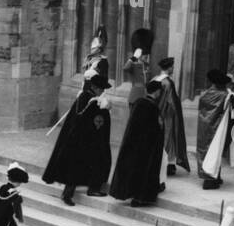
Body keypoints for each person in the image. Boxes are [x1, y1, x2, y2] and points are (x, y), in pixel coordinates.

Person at [42, 71, 112, 205]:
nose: (102, 91)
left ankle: (91, 187)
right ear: (96, 88)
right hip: (81, 140)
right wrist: (101, 108)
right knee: (75, 167)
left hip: (84, 139)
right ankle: (69, 194)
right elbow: (86, 118)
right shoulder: (88, 99)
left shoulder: (88, 97)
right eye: (102, 89)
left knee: (81, 166)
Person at [110, 79, 167, 206]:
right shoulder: (153, 107)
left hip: (133, 144)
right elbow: (157, 129)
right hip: (146, 147)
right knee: (145, 171)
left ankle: (132, 195)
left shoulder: (138, 103)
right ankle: (140, 198)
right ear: (157, 92)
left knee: (134, 169)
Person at [197, 73, 234, 189]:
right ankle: (209, 181)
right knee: (215, 152)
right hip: (217, 129)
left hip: (204, 127)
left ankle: (215, 176)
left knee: (205, 151)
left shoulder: (205, 94)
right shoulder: (225, 96)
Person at [156, 57, 189, 177]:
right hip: (167, 115)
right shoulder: (168, 82)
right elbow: (171, 101)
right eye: (172, 67)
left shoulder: (156, 79)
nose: (173, 68)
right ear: (169, 67)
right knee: (168, 140)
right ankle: (168, 165)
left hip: (156, 113)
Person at [123, 28, 153, 105]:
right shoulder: (133, 64)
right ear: (139, 54)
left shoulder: (147, 65)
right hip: (135, 96)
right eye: (144, 54)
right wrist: (133, 57)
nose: (146, 55)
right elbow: (125, 68)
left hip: (145, 96)